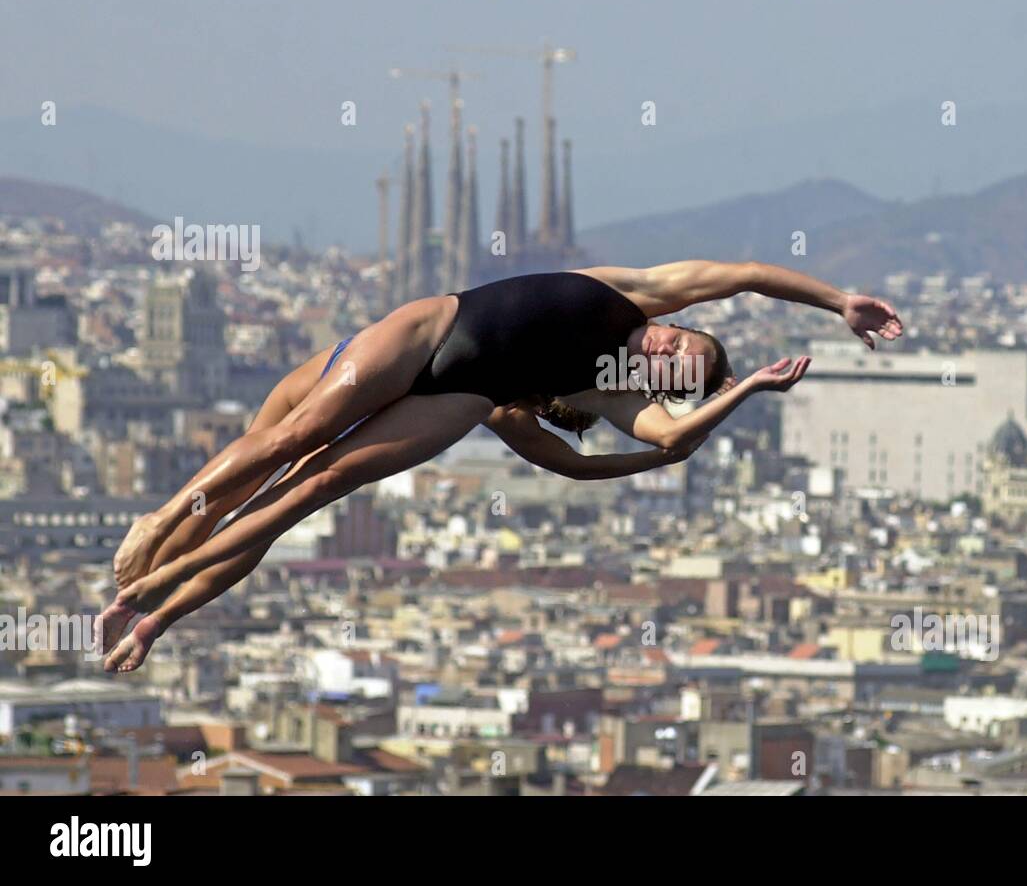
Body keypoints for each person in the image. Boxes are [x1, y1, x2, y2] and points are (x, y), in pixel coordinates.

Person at [98, 260, 903, 671]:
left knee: (314, 487)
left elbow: (670, 443)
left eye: (673, 367)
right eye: (679, 340)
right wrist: (837, 302)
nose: (665, 348)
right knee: (291, 439)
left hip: (463, 392)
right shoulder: (632, 292)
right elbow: (750, 277)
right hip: (433, 329)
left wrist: (750, 389)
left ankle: (153, 605)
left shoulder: (607, 395)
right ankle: (163, 523)